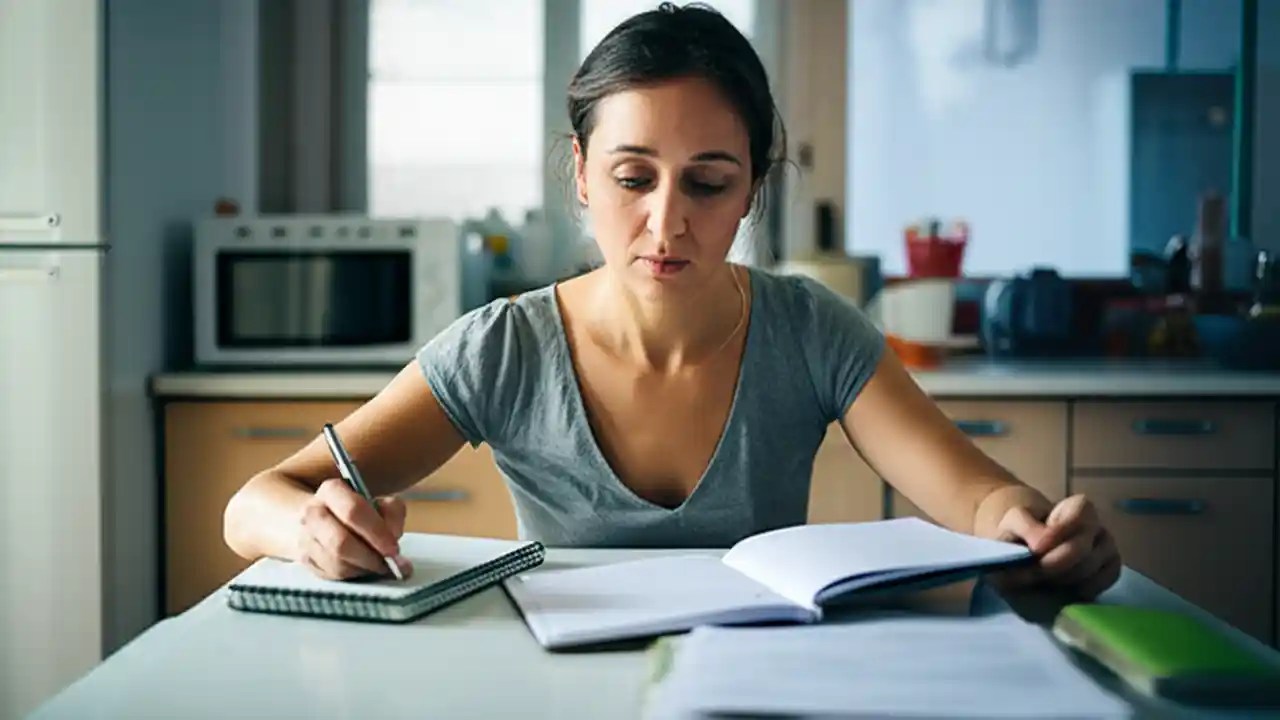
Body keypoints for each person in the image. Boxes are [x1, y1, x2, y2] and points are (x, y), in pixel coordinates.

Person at [224, 2, 1120, 598]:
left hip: (759, 689)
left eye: (708, 182)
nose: (667, 222)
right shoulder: (505, 348)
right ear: (580, 174)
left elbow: (976, 498)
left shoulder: (812, 333)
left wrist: (1042, 532)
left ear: (752, 190)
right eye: (631, 177)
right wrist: (311, 526)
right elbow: (252, 504)